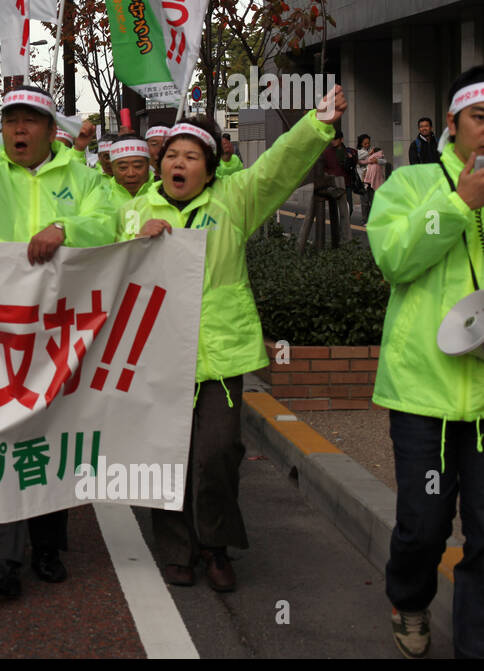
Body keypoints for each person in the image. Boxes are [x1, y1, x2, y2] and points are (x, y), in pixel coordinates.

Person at [124, 86, 347, 592]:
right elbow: (108, 271)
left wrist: (317, 124)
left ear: (209, 166)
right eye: (173, 156)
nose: (179, 164)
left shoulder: (235, 200)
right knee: (166, 455)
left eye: (192, 156)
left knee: (218, 453)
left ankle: (215, 545)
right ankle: (177, 548)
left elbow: (277, 166)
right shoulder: (133, 212)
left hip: (220, 356)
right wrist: (133, 244)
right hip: (157, 358)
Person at [0, 61, 116, 598]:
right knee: (0, 437)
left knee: (49, 437)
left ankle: (49, 544)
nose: (18, 131)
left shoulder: (83, 179)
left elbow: (108, 225)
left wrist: (66, 227)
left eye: (30, 121)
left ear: (51, 128)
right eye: (11, 121)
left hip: (60, 333)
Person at [368, 66, 484, 659]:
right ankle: (410, 599)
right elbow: (394, 258)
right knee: (425, 526)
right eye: (479, 119)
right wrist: (459, 204)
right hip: (423, 395)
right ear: (452, 124)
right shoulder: (411, 183)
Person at [299, 126, 352, 249]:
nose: (333, 141)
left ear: (341, 139)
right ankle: (342, 240)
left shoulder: (347, 152)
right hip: (329, 185)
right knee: (338, 212)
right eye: (332, 139)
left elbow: (351, 167)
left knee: (347, 212)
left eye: (336, 139)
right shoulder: (326, 152)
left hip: (344, 184)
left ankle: (343, 239)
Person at [104, 137, 154, 204]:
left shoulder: (164, 191)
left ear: (148, 164)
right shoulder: (101, 196)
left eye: (137, 166)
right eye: (123, 167)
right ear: (112, 167)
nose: (131, 174)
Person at [358, 134, 386, 219]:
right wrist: (369, 155)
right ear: (361, 144)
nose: (367, 145)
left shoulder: (375, 151)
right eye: (365, 144)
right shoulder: (359, 152)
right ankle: (365, 219)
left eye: (368, 143)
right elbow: (359, 161)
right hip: (363, 180)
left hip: (374, 179)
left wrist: (377, 160)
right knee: (364, 202)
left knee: (373, 200)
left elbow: (384, 161)